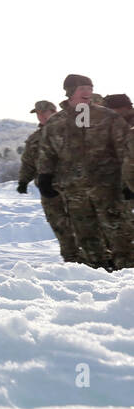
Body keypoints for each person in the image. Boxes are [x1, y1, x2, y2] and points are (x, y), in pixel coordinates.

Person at [37, 74, 133, 270]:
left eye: (90, 88)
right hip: (75, 193)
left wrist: (129, 182)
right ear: (70, 91)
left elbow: (126, 150)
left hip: (109, 190)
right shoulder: (56, 123)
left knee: (121, 235)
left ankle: (128, 277)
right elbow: (47, 153)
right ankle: (98, 279)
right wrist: (45, 177)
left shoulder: (109, 117)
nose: (88, 92)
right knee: (87, 237)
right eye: (83, 88)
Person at [16, 99, 79, 262]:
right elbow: (29, 162)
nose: (41, 116)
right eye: (38, 113)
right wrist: (23, 181)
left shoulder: (70, 129)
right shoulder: (35, 138)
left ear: (53, 111)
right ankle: (71, 260)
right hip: (49, 191)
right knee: (59, 226)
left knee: (84, 224)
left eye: (44, 112)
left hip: (74, 187)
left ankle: (96, 258)